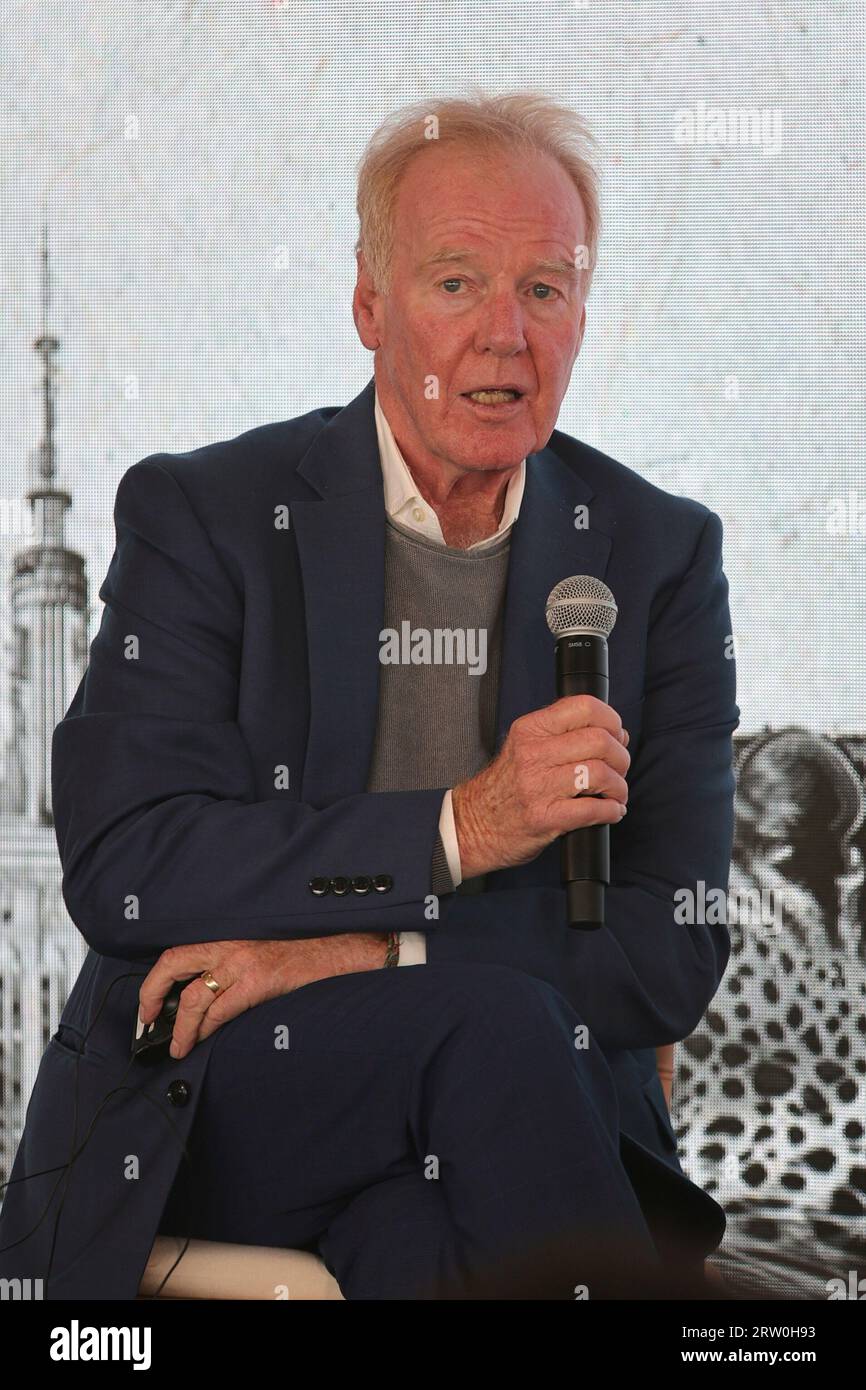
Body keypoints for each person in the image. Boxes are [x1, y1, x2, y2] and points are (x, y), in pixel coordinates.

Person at [0, 91, 739, 1300]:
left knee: (413, 1243)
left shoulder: (655, 556)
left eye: (545, 289)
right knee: (490, 1027)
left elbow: (669, 946)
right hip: (223, 1092)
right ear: (367, 303)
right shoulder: (208, 515)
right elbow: (129, 859)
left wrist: (361, 948)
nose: (507, 333)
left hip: (503, 1121)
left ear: (581, 314)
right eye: (456, 282)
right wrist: (460, 830)